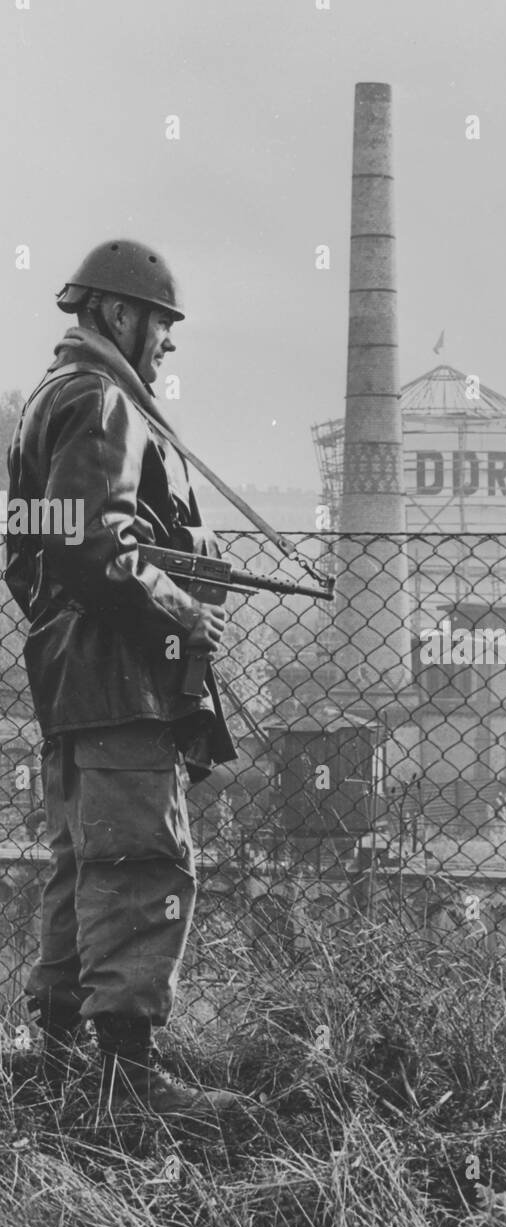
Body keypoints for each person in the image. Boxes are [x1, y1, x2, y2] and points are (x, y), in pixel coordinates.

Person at [5, 238, 241, 1126]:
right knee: (144, 864)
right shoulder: (104, 401)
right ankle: (127, 1091)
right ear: (116, 315)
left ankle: (62, 1070)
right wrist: (181, 611)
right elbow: (95, 548)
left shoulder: (51, 399)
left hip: (74, 680)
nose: (166, 343)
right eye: (159, 323)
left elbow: (37, 556)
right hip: (119, 682)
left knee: (83, 866)